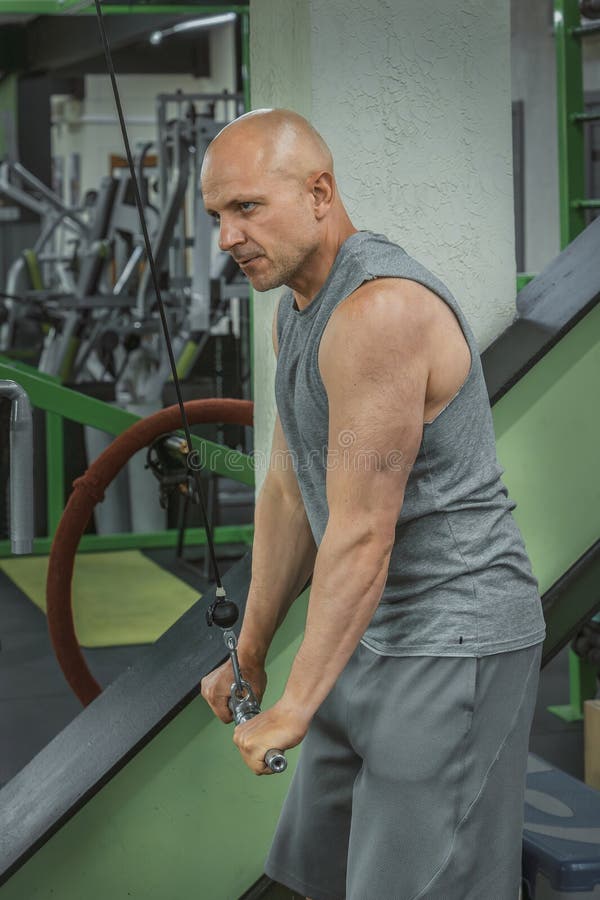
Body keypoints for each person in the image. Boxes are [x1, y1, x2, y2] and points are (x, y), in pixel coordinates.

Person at [200, 108, 546, 900]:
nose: (228, 237)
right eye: (218, 215)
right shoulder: (294, 315)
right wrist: (250, 650)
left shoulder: (379, 312)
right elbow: (291, 493)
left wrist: (292, 706)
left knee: (419, 888)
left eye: (247, 208)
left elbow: (360, 533)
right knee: (315, 873)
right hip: (372, 630)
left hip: (454, 636)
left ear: (320, 192)